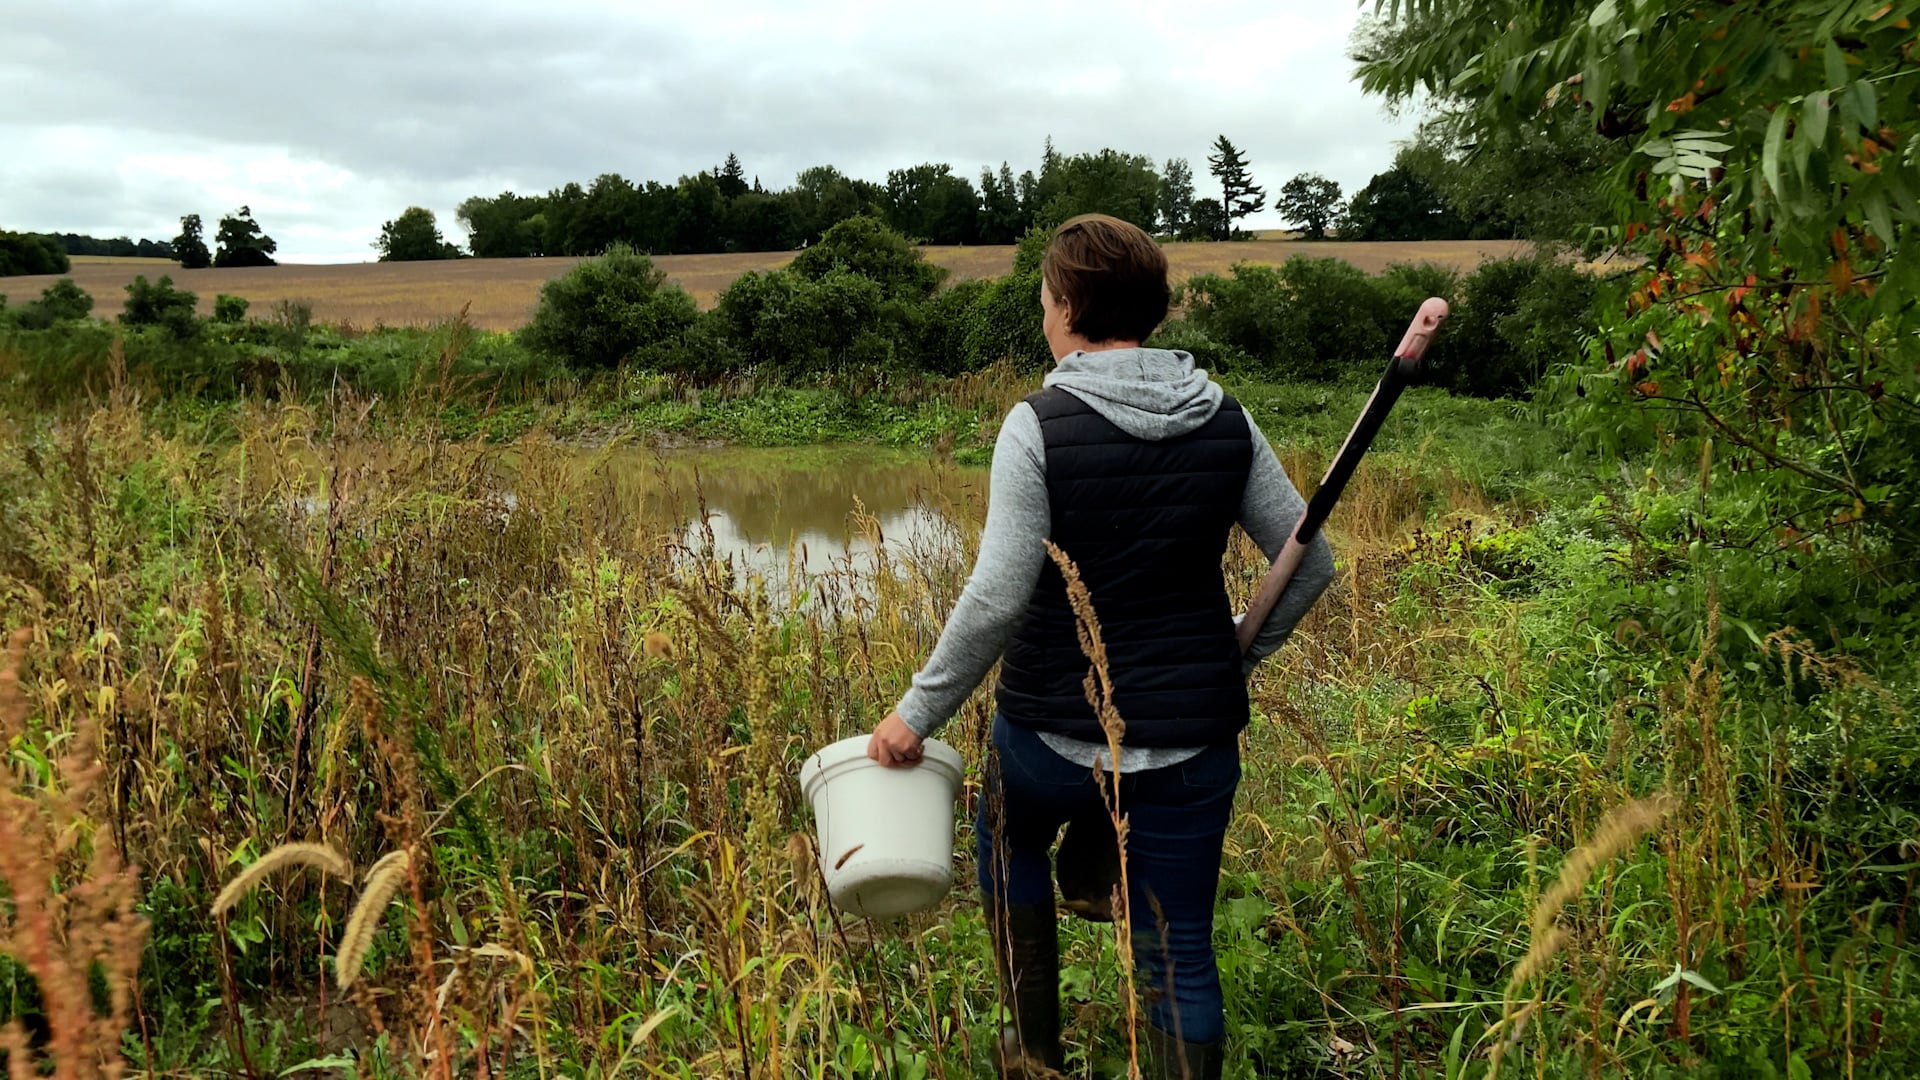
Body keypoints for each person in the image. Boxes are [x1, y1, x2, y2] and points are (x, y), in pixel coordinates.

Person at [867, 214, 1334, 1079]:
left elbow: (1000, 592)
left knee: (1007, 842)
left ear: (1071, 305)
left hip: (1050, 736)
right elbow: (1309, 567)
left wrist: (916, 714)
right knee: (1179, 953)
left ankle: (1033, 1051)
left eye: (1046, 299)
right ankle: (1096, 865)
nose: (1045, 314)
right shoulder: (1225, 418)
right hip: (1193, 744)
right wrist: (1236, 655)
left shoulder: (1037, 423)